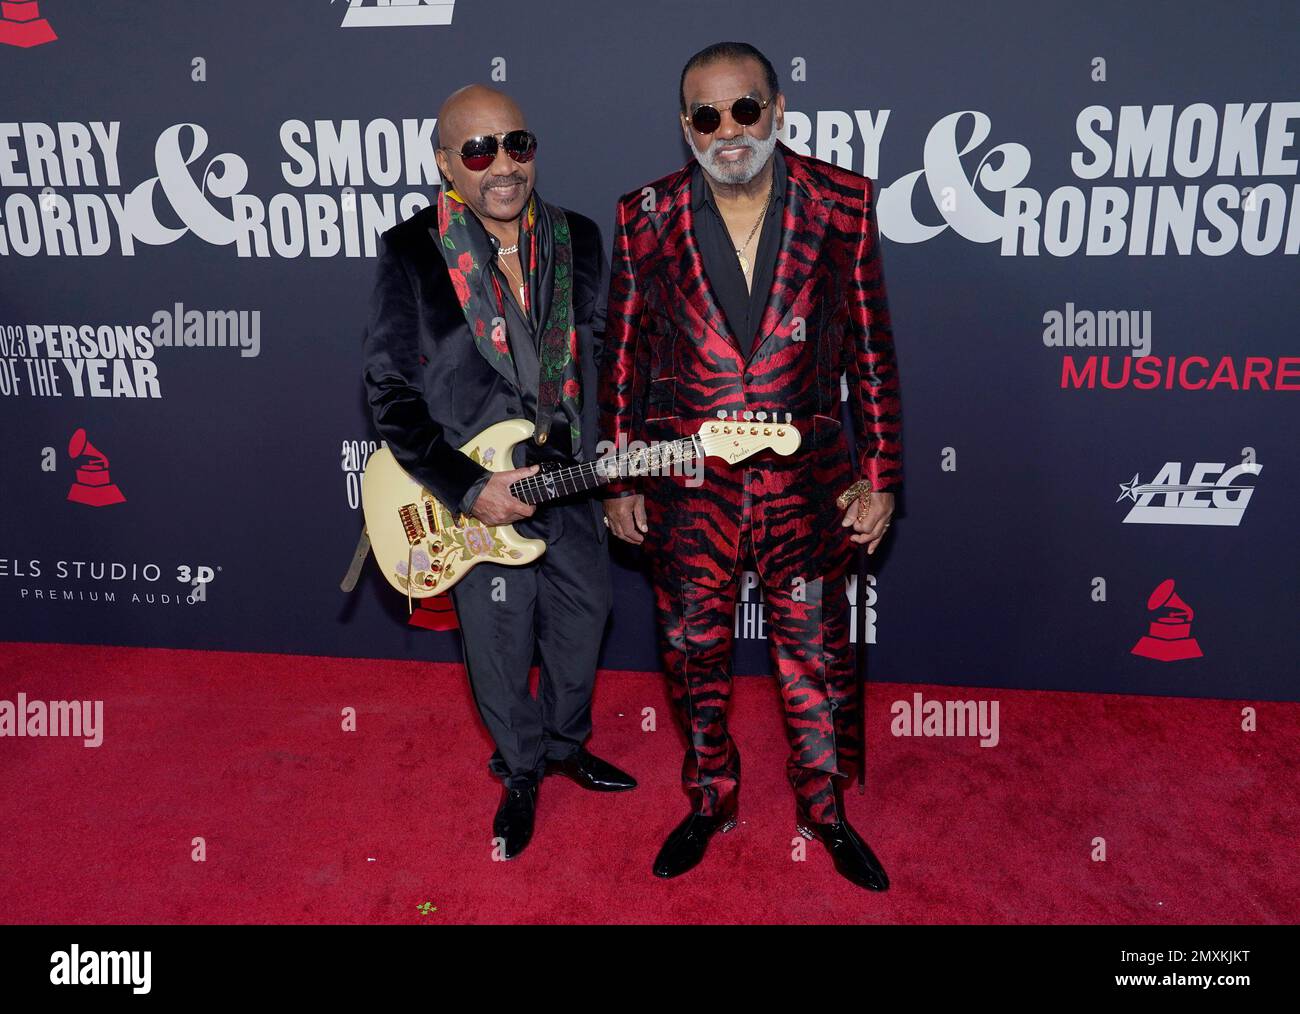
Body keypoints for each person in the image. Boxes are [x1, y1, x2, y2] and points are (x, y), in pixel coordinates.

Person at [599, 42, 901, 890]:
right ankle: (709, 801)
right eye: (705, 115)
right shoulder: (643, 215)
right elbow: (620, 357)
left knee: (813, 650)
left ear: (776, 110)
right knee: (693, 649)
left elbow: (872, 350)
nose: (727, 130)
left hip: (806, 482)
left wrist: (879, 474)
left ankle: (825, 812)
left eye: (744, 109)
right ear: (685, 126)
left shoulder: (843, 202)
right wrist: (622, 476)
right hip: (687, 482)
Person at [362, 84, 636, 861]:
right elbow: (388, 391)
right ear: (447, 162)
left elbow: (606, 357)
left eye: (517, 143)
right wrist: (468, 487)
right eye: (478, 151)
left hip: (568, 481)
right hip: (477, 498)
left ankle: (562, 744)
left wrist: (616, 465)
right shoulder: (412, 251)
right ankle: (519, 770)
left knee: (584, 629)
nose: (503, 165)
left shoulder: (578, 238)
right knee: (501, 649)